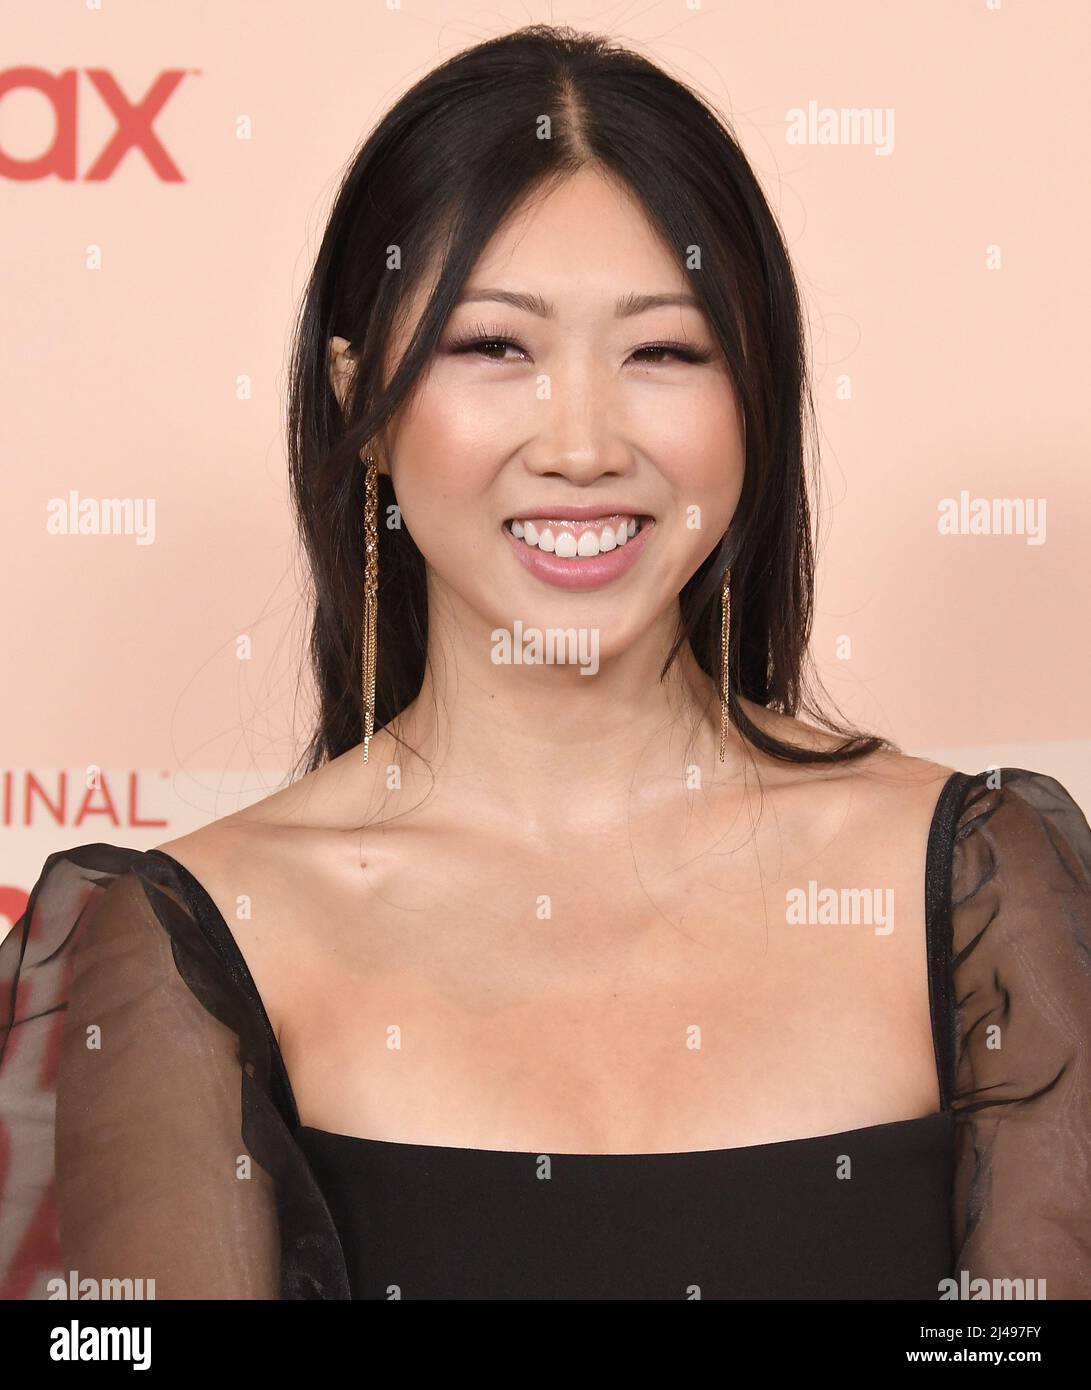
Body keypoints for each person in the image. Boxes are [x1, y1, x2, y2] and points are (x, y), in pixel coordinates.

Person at [2, 24, 1089, 1302]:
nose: (580, 443)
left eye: (664, 353)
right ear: (364, 401)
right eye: (494, 348)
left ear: (755, 396)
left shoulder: (967, 887)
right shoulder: (196, 944)